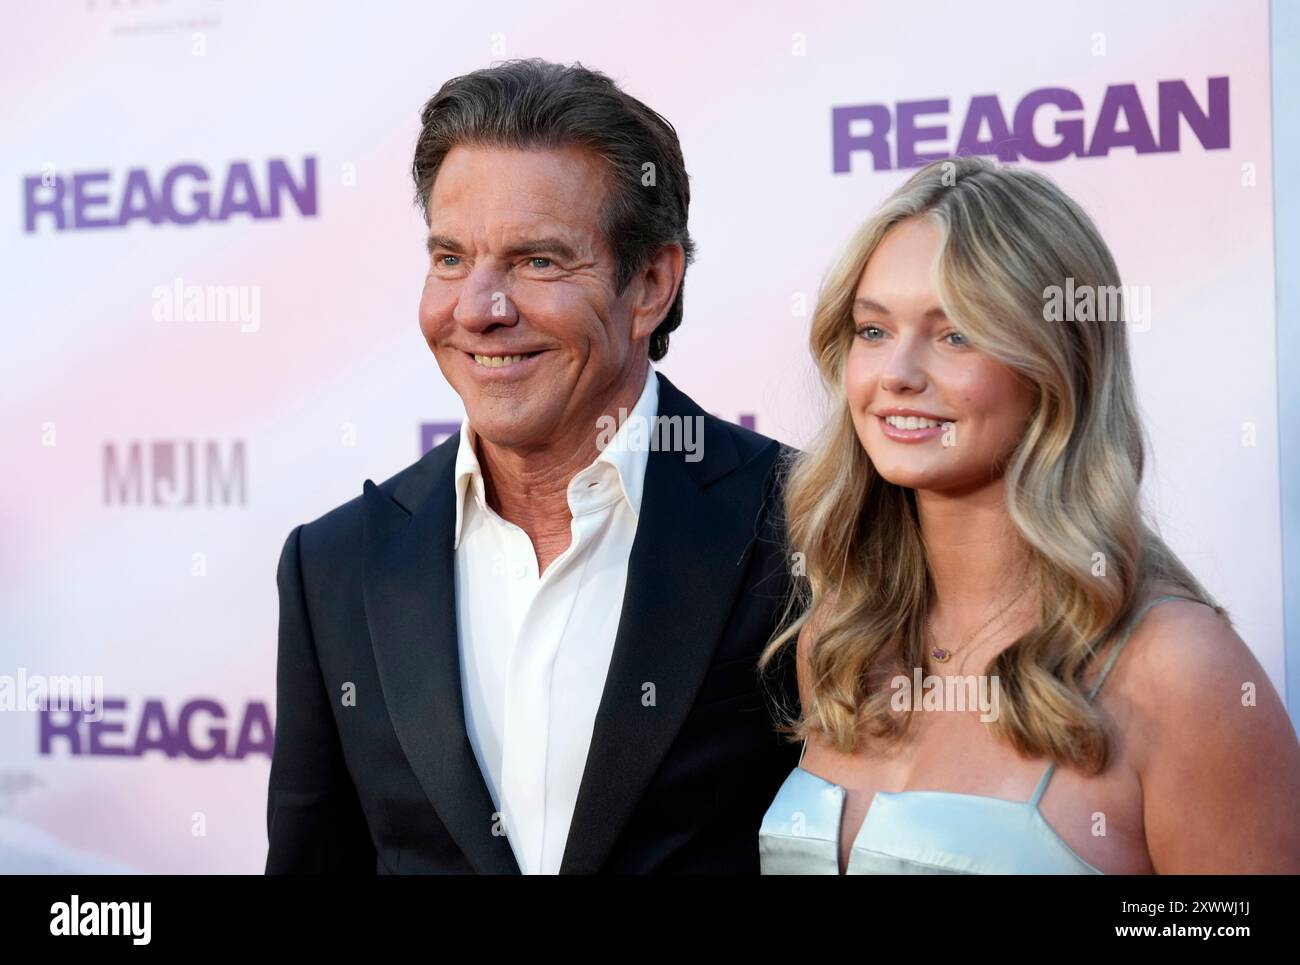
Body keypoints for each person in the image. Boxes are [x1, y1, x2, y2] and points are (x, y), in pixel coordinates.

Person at [265, 59, 800, 874]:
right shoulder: (335, 565)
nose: (478, 309)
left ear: (652, 282)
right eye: (450, 258)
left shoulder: (806, 523)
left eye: (538, 262)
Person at [757, 155, 1300, 874]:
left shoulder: (1175, 670)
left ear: (1055, 363)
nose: (898, 374)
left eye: (956, 335)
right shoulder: (841, 636)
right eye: (873, 330)